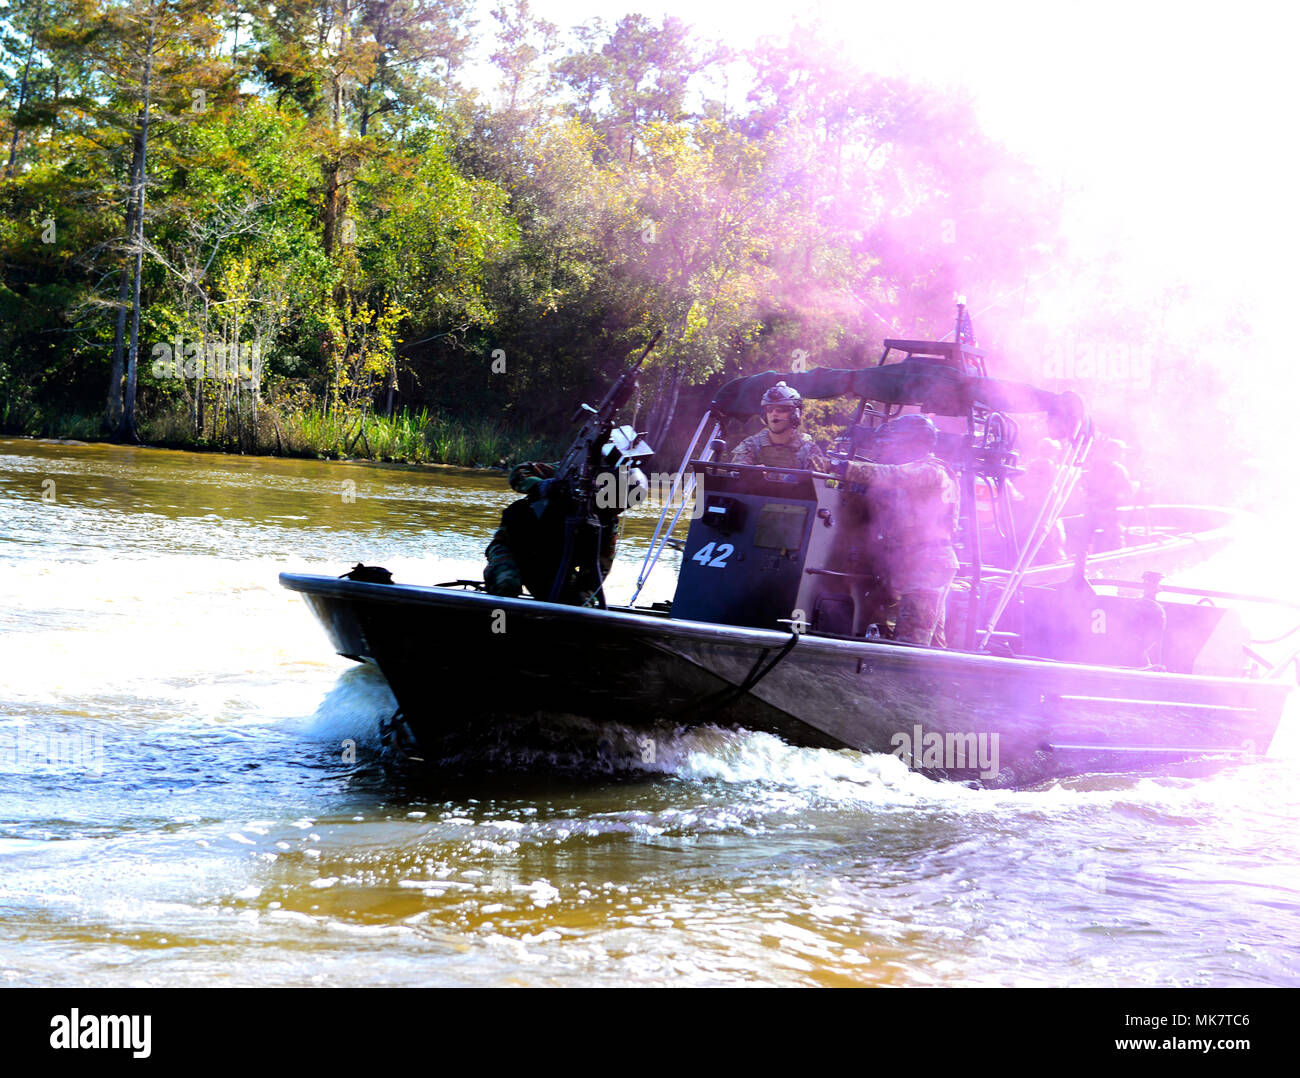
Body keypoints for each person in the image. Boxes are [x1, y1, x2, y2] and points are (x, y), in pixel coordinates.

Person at [836, 414, 959, 646]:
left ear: (914, 443)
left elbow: (893, 475)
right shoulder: (921, 474)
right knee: (932, 644)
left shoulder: (930, 471)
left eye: (896, 443)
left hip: (927, 563)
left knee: (910, 643)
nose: (891, 449)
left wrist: (844, 468)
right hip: (921, 561)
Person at [484, 461, 620, 605]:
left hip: (552, 565)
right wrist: (543, 486)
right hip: (512, 547)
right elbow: (519, 472)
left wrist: (584, 600)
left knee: (575, 602)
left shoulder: (606, 524)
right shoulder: (572, 474)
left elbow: (598, 569)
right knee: (507, 584)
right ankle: (498, 625)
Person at [730, 381, 829, 471]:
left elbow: (815, 485)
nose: (774, 414)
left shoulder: (808, 449)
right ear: (764, 415)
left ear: (795, 414)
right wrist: (751, 475)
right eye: (769, 409)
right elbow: (734, 476)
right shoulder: (751, 445)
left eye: (781, 409)